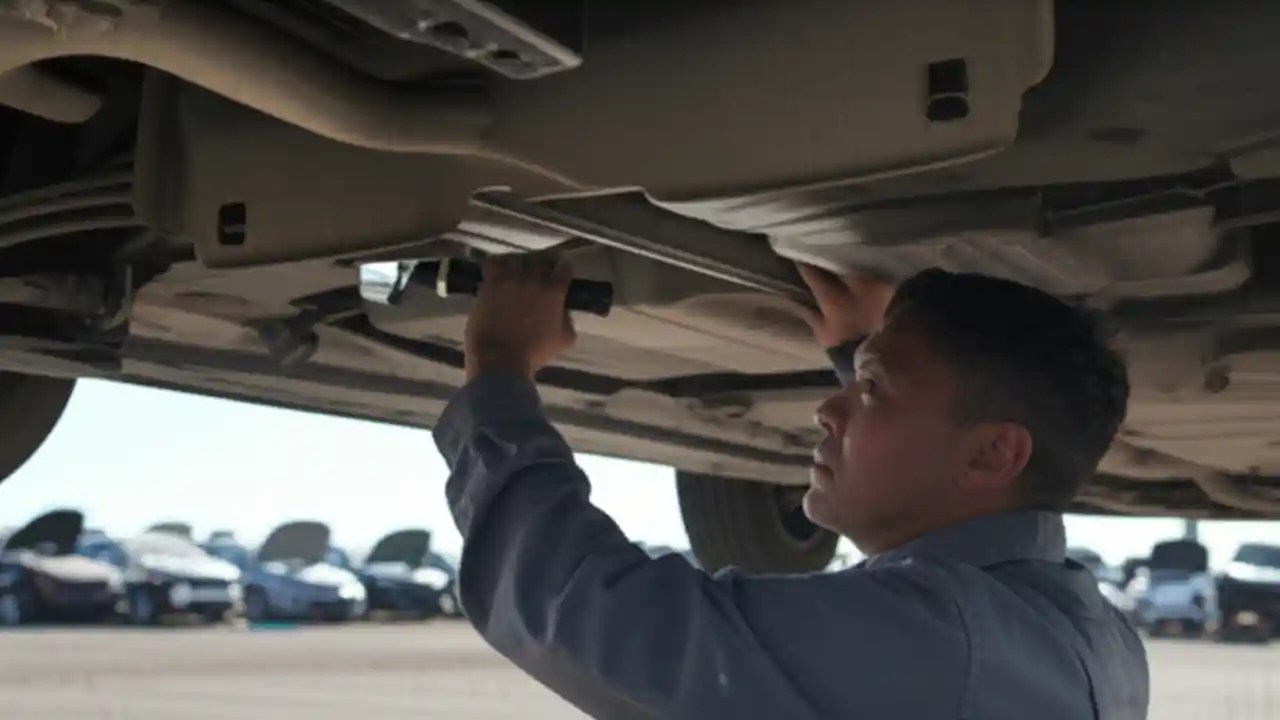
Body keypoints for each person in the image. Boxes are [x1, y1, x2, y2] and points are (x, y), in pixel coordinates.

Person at [433, 254, 1149, 719]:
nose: (826, 410)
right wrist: (865, 363)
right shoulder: (1092, 634)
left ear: (995, 453)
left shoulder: (938, 638)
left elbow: (587, 611)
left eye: (870, 391)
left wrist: (499, 369)